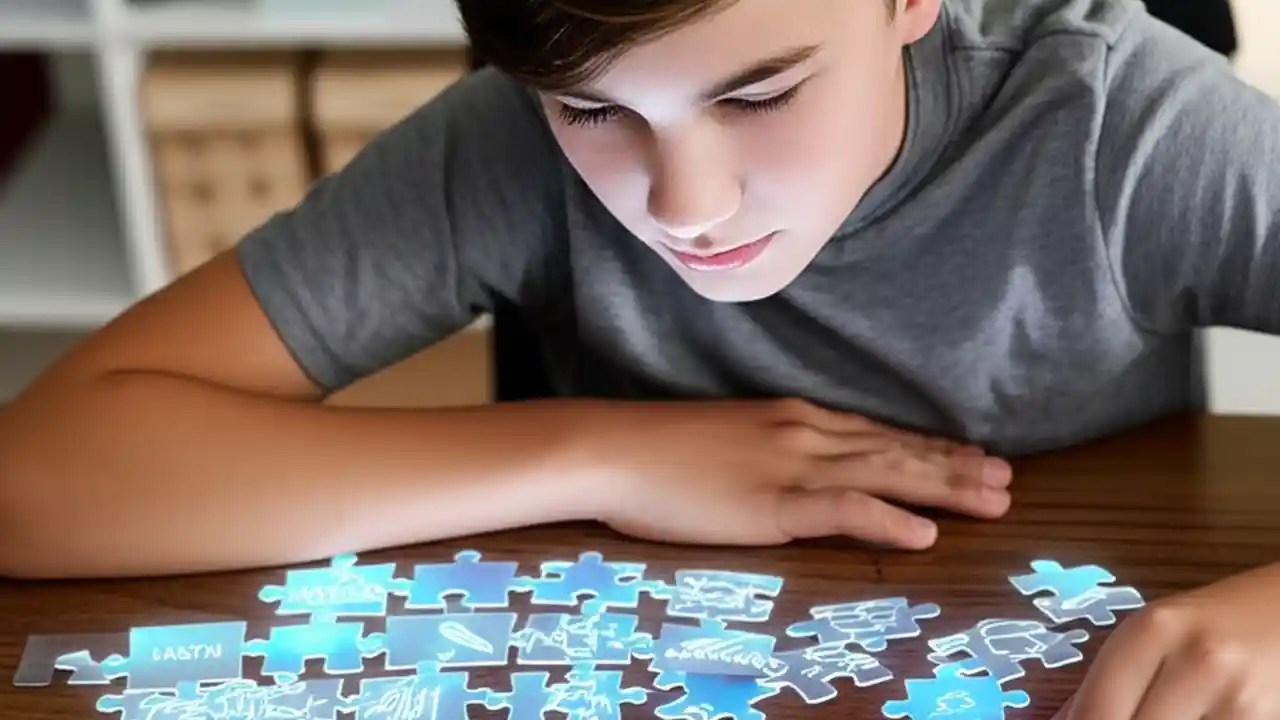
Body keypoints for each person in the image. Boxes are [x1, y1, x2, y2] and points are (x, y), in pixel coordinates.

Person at [1, 0, 1277, 713]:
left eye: (758, 93)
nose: (684, 202)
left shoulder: (1125, 126)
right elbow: (37, 479)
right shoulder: (502, 148)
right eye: (594, 112)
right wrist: (600, 454)